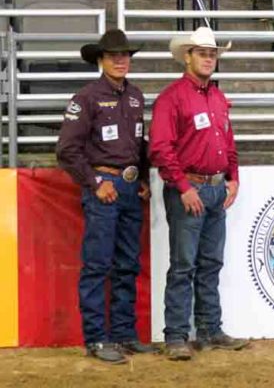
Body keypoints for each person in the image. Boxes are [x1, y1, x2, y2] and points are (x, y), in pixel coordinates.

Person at [56, 29, 157, 364]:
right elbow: (67, 150)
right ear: (100, 60)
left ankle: (124, 334)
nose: (120, 60)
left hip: (129, 186)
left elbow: (138, 145)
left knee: (127, 264)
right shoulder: (86, 98)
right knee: (98, 264)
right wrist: (95, 182)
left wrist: (142, 177)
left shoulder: (136, 96)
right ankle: (97, 338)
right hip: (104, 187)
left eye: (124, 55)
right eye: (113, 55)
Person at [149, 27, 248, 360]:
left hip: (215, 187)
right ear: (187, 57)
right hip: (190, 188)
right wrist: (183, 186)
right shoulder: (172, 98)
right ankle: (176, 334)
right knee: (184, 265)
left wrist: (233, 178)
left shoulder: (217, 97)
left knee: (210, 263)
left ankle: (208, 330)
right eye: (202, 53)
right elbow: (160, 148)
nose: (208, 59)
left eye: (212, 54)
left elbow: (228, 142)